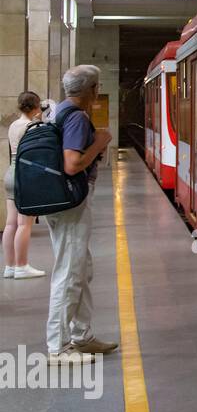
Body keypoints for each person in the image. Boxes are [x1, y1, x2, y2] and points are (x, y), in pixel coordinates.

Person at [45, 65, 118, 359]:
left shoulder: (58, 111)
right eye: (96, 87)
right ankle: (59, 346)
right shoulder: (76, 118)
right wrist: (99, 142)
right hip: (70, 204)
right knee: (69, 273)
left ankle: (81, 335)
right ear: (91, 89)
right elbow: (72, 164)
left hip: (60, 202)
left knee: (80, 269)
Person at [3, 91, 47, 279]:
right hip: (25, 176)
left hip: (10, 174)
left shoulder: (14, 125)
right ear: (37, 107)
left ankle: (10, 266)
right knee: (24, 224)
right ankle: (22, 266)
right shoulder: (33, 126)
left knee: (10, 224)